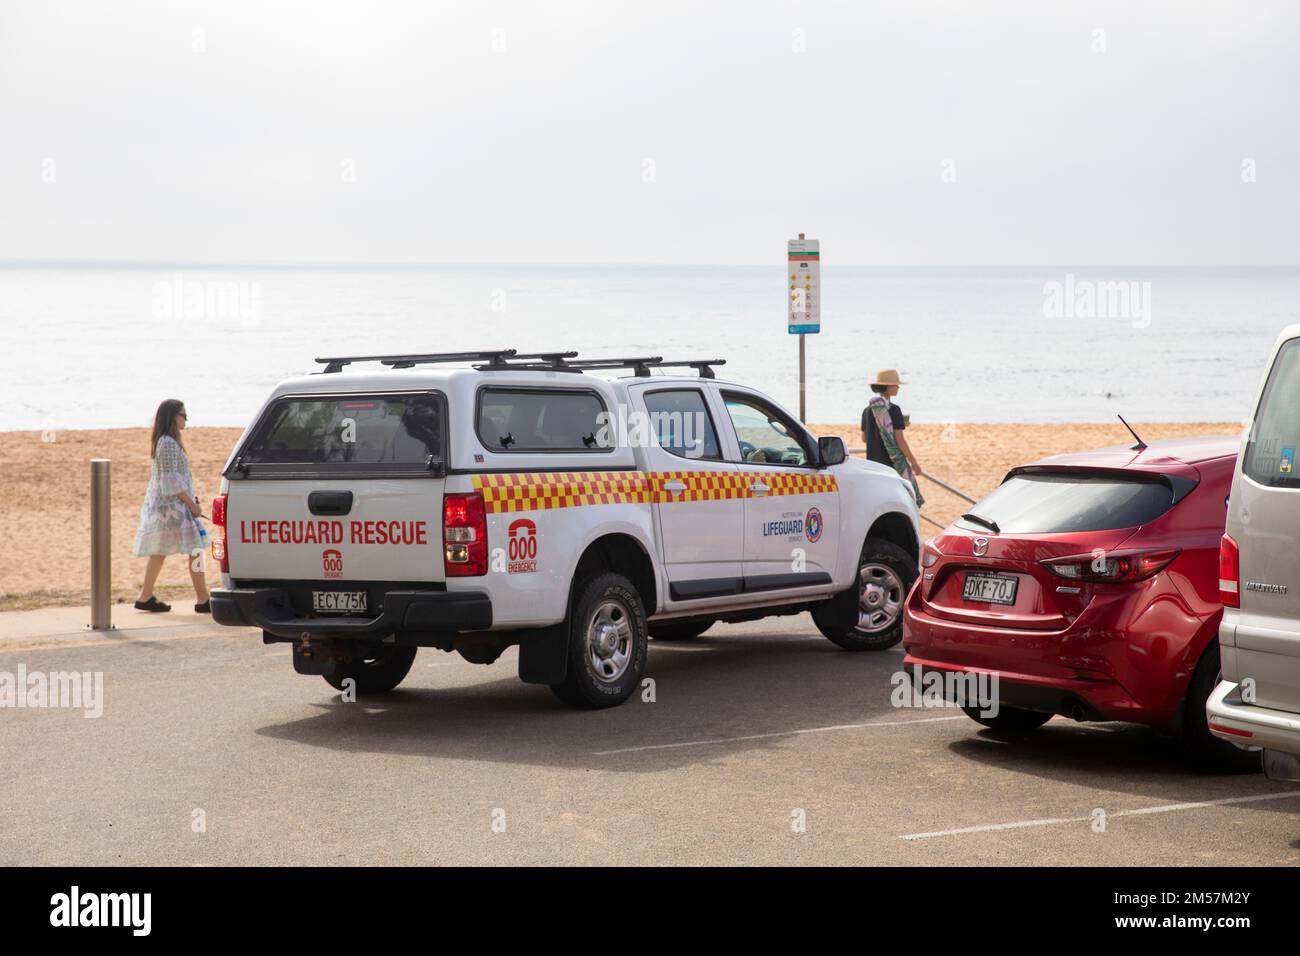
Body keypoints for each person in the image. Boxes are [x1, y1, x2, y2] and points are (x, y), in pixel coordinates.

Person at [132, 399, 211, 613]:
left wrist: (192, 500)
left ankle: (146, 595)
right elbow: (169, 480)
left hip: (172, 505)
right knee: (194, 548)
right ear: (172, 417)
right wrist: (191, 504)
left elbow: (177, 478)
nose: (186, 418)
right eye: (183, 414)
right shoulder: (167, 442)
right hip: (171, 507)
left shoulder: (169, 441)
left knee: (160, 551)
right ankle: (202, 598)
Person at [861, 369, 924, 506]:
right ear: (888, 387)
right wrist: (914, 463)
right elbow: (900, 440)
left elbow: (864, 438)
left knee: (879, 501)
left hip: (873, 464)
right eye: (896, 385)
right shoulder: (894, 410)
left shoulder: (867, 410)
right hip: (892, 465)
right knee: (897, 500)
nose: (898, 387)